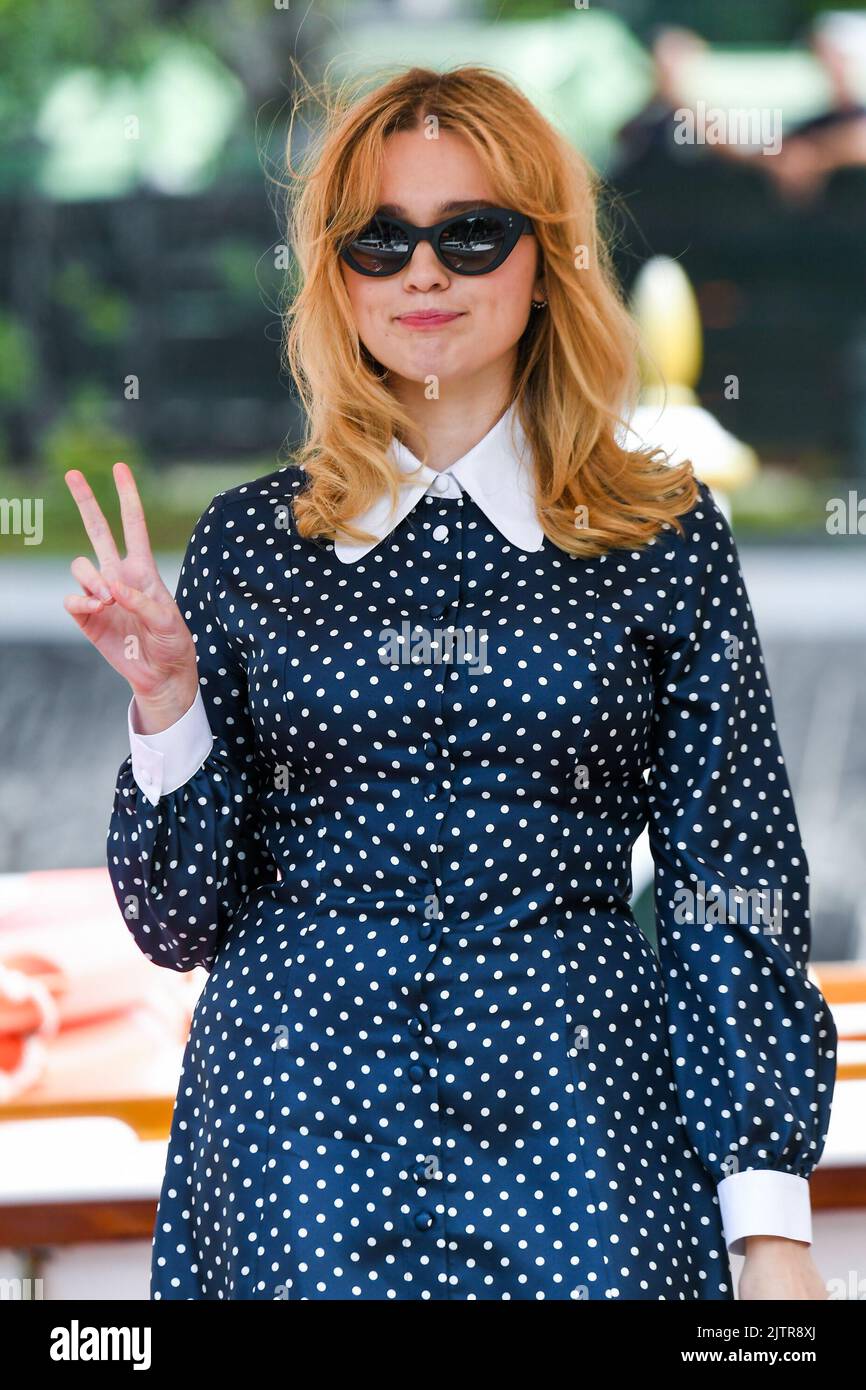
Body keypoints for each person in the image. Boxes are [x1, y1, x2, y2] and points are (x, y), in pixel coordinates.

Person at [63, 64, 837, 1301]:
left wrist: (770, 1227)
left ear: (545, 260)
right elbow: (176, 922)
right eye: (380, 239)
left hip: (584, 1136)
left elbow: (729, 880)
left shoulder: (659, 534)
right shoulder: (248, 543)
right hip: (289, 1149)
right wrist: (167, 703)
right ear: (335, 273)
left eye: (469, 234)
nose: (422, 274)